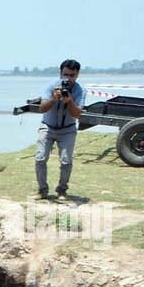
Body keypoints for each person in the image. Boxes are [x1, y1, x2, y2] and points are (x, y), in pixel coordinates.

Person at [36, 59, 86, 201]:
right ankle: (42, 190)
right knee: (40, 158)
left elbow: (77, 114)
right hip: (48, 126)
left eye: (72, 75)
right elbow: (42, 109)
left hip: (68, 129)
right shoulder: (51, 87)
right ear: (60, 74)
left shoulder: (80, 91)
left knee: (66, 161)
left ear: (77, 75)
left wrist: (69, 101)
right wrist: (53, 98)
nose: (68, 79)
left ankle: (62, 190)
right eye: (65, 75)